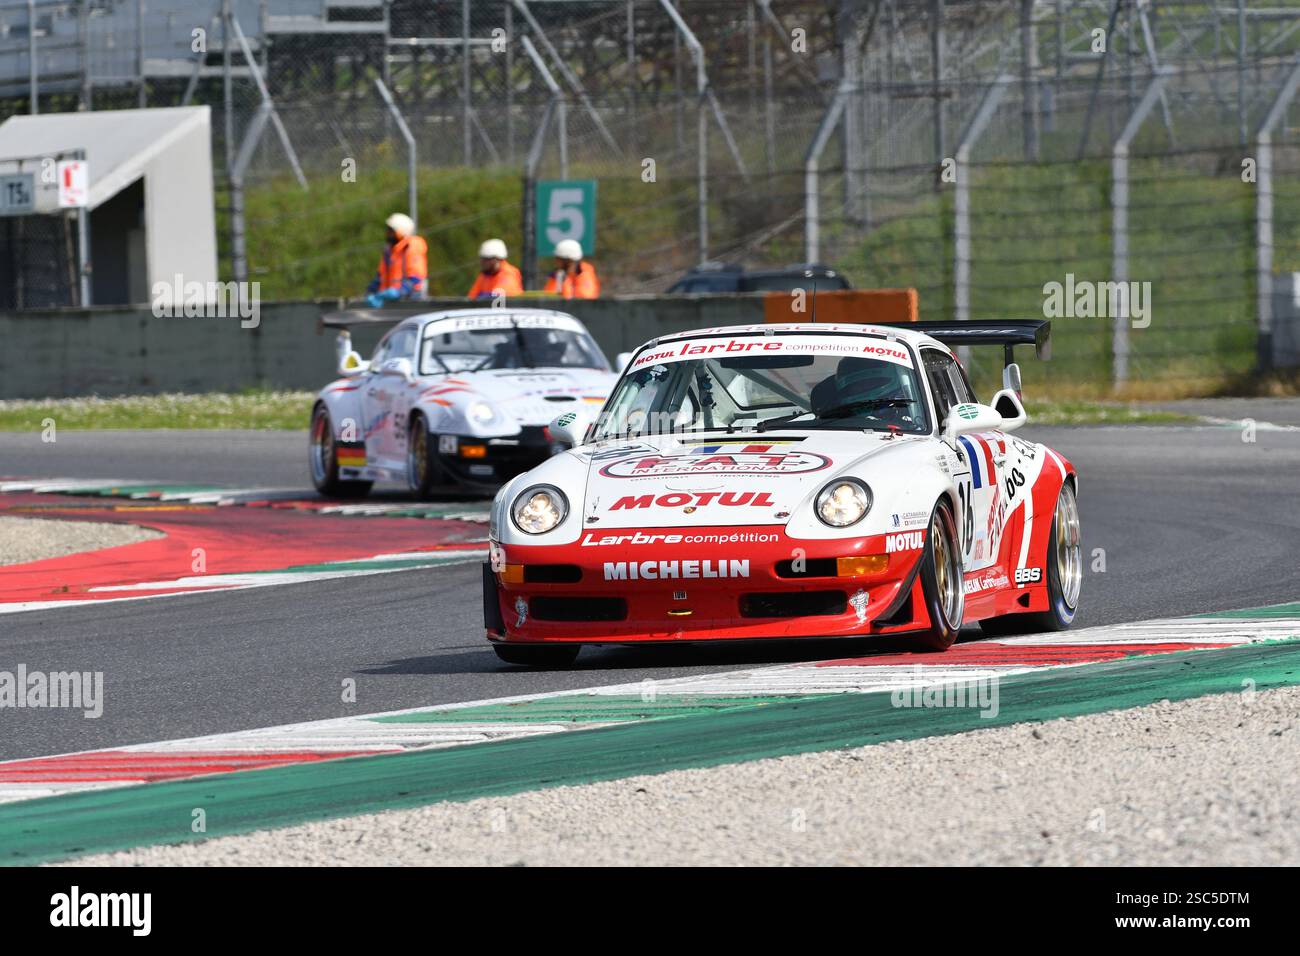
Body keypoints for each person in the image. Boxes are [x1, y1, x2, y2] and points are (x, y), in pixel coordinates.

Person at [365, 213, 428, 307]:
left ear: (400, 232)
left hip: (410, 302)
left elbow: (416, 277)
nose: (387, 233)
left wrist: (400, 292)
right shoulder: (389, 251)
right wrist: (370, 292)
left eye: (391, 231)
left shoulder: (412, 248)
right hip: (391, 302)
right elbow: (380, 276)